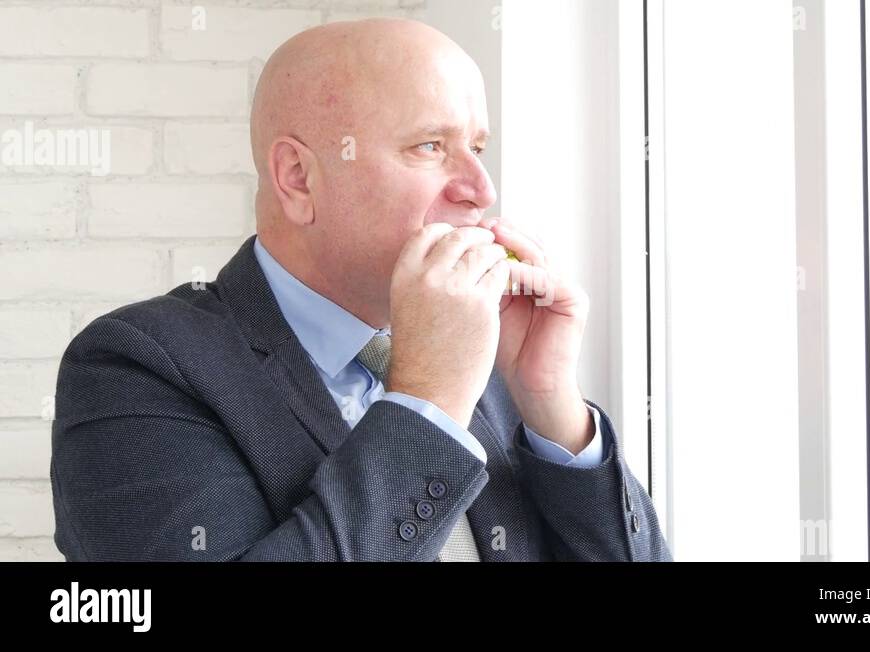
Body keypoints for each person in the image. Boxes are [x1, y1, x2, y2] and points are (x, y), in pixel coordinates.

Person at [50, 18, 671, 562]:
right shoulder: (133, 367)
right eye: (430, 146)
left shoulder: (490, 357)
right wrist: (428, 404)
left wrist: (552, 405)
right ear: (298, 178)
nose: (482, 189)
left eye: (477, 148)